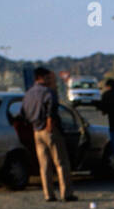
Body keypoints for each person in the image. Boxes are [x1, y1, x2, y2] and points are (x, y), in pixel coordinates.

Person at [21, 66, 76, 202]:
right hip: (49, 130)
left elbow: (23, 114)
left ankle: (48, 194)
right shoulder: (48, 92)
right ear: (42, 78)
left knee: (44, 165)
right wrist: (50, 124)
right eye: (48, 77)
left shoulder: (28, 94)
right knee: (61, 162)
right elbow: (51, 110)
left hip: (36, 131)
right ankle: (66, 193)